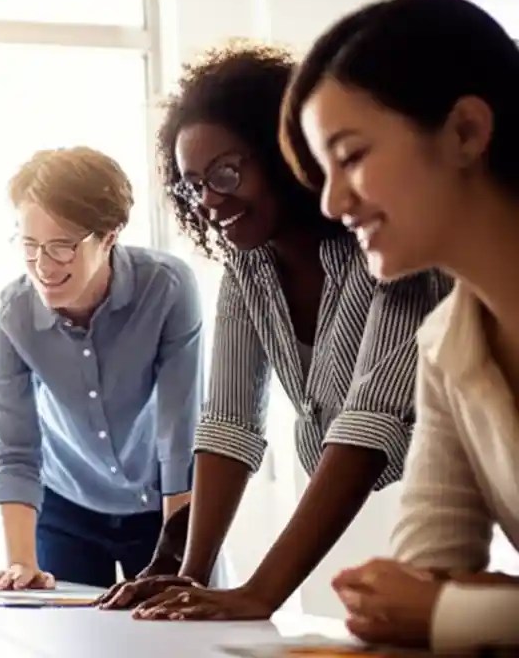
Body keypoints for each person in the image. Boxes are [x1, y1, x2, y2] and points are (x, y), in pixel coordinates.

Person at [95, 43, 452, 620]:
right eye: (194, 186)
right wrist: (189, 575)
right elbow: (229, 424)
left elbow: (370, 422)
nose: (210, 200)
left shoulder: (388, 247)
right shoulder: (249, 268)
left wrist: (261, 593)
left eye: (226, 172)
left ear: (287, 154)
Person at [283, 0, 519, 653]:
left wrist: (462, 613)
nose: (332, 202)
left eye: (351, 155)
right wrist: (435, 608)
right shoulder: (447, 343)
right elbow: (415, 592)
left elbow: (437, 609)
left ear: (466, 131)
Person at [0, 147, 202, 591]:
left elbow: (179, 438)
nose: (43, 266)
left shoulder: (167, 288)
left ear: (109, 235)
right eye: (30, 246)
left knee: (178, 633)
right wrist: (20, 563)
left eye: (62, 247)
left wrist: (178, 558)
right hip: (66, 506)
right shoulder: (10, 316)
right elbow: (15, 451)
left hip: (161, 505)